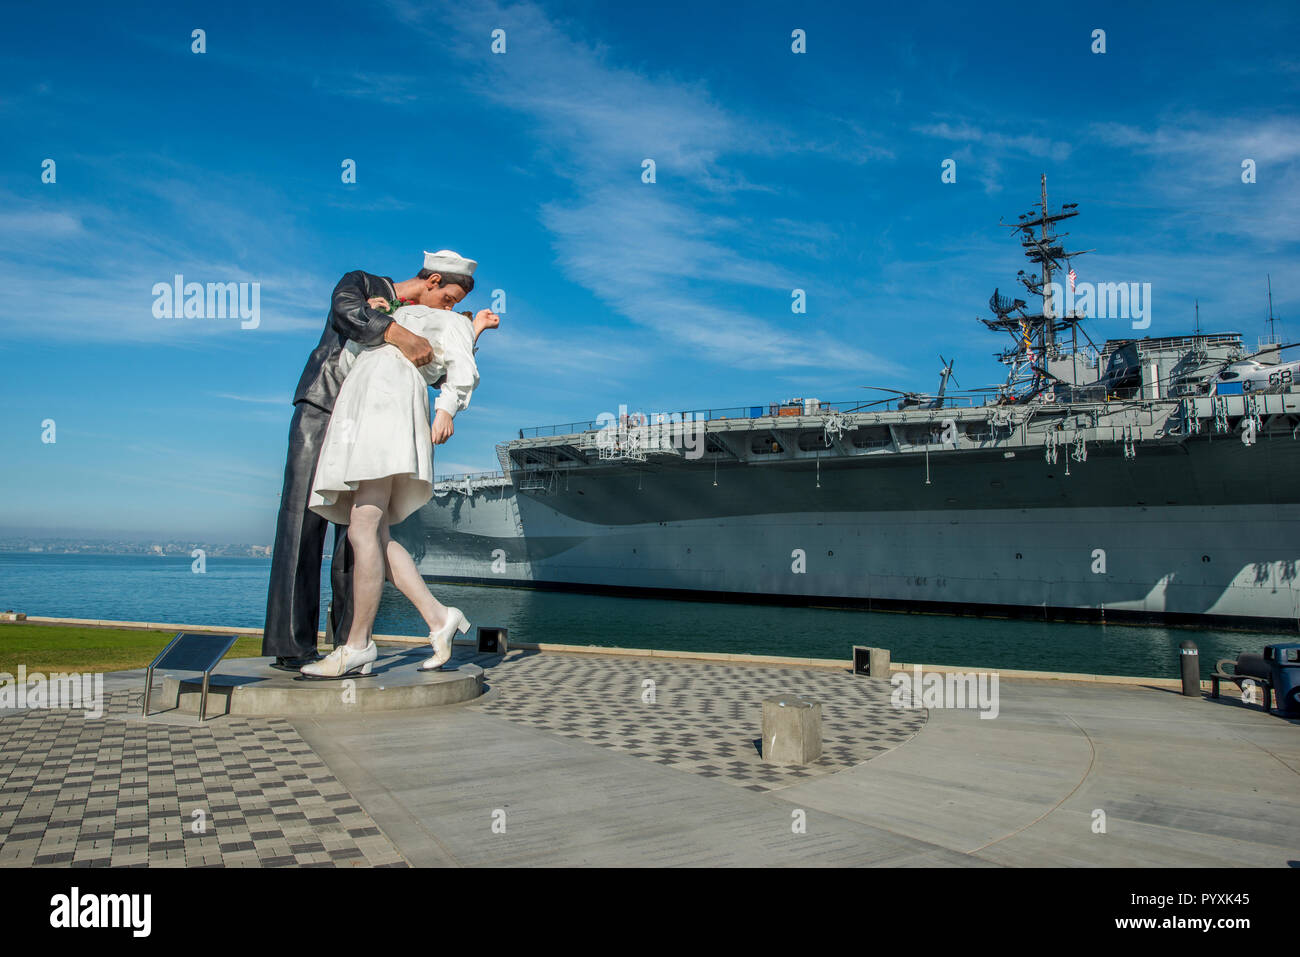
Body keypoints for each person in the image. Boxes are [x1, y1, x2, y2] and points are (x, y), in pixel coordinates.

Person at [262, 250, 472, 671]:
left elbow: (448, 363)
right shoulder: (363, 283)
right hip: (324, 408)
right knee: (304, 522)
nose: (452, 308)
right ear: (431, 280)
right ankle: (293, 644)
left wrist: (461, 343)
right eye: (449, 298)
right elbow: (346, 314)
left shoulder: (428, 318)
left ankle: (351, 640)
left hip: (373, 415)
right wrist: (396, 330)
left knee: (360, 535)